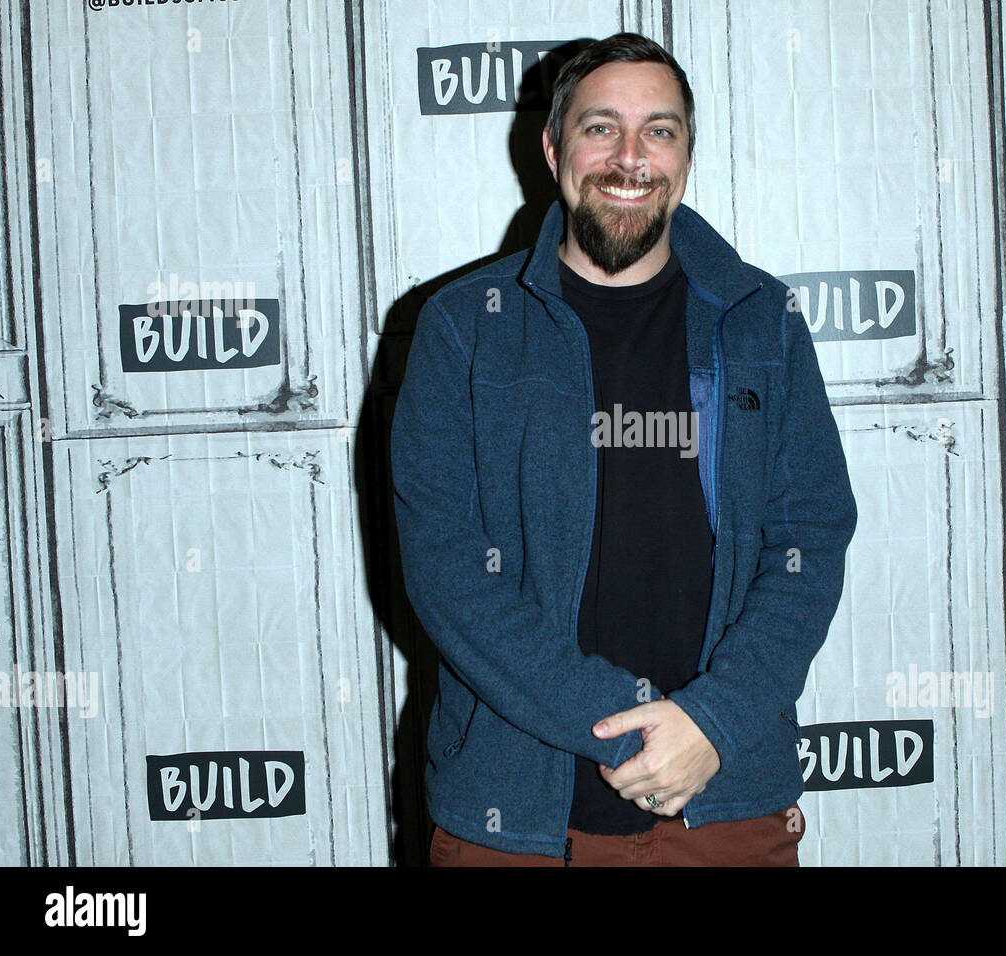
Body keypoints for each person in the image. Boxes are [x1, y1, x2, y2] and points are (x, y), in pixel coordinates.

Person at [390, 32, 856, 866]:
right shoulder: (464, 328)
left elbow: (809, 543)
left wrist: (711, 721)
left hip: (727, 802)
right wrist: (628, 731)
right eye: (601, 127)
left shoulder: (761, 321)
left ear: (687, 153)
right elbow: (449, 571)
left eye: (660, 130)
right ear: (552, 147)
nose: (630, 156)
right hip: (516, 820)